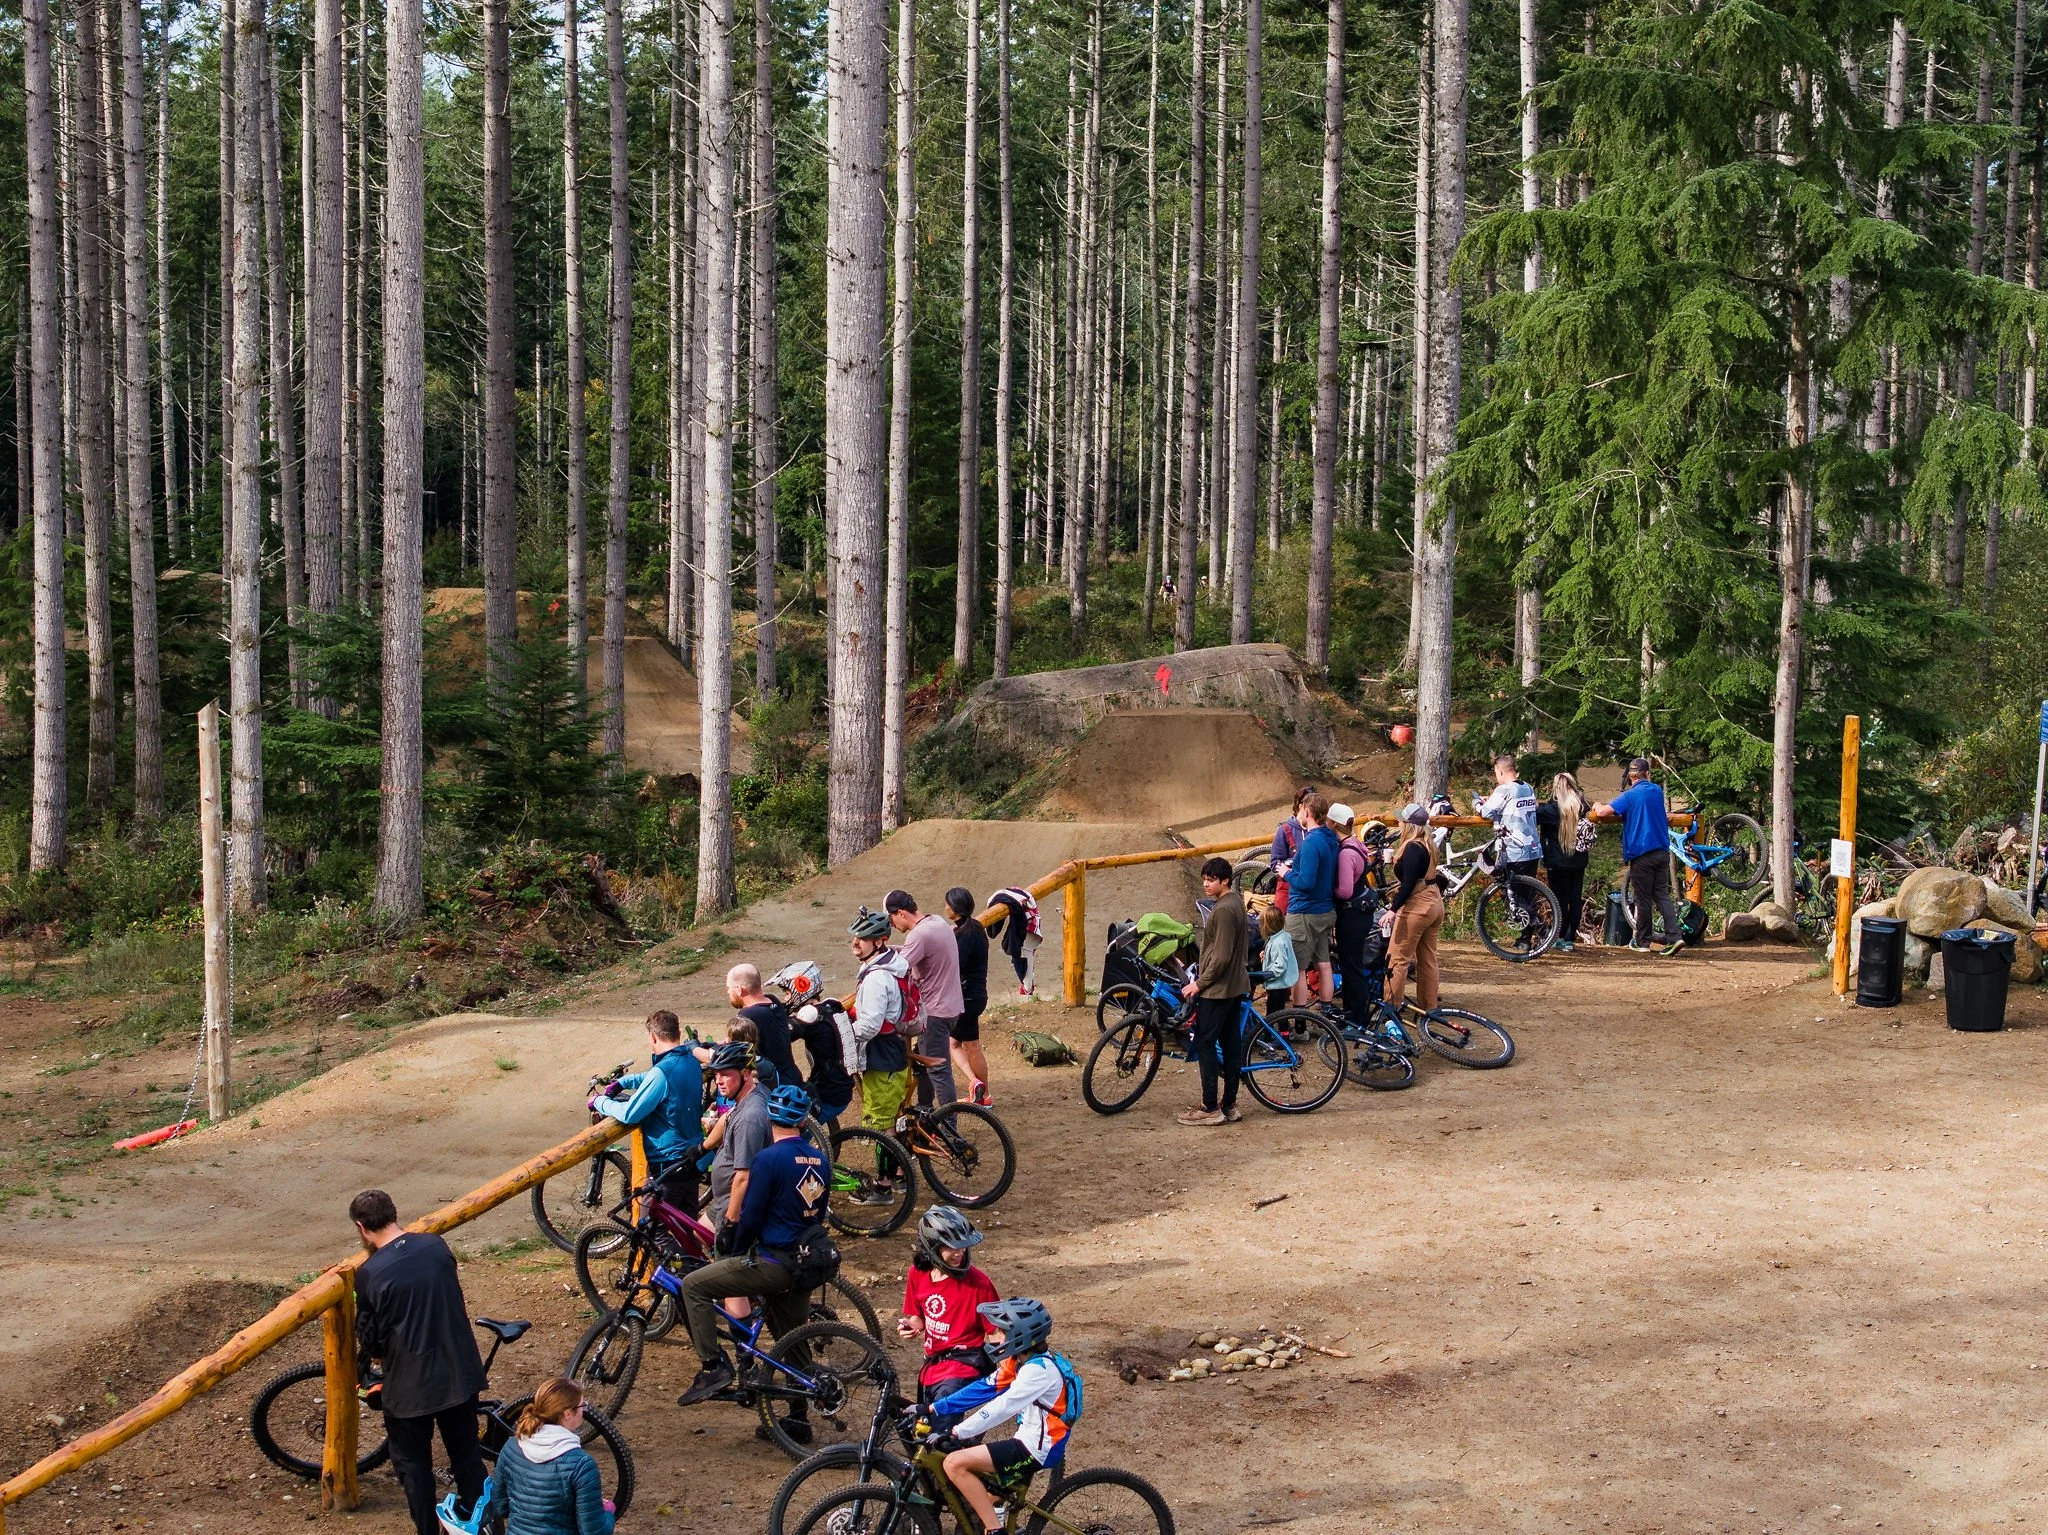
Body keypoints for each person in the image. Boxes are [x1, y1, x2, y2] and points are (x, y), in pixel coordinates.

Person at [675, 1083, 832, 1428]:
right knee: (792, 1341)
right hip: (804, 1263)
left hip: (772, 1262)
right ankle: (797, 1421)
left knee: (693, 1286)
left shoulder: (768, 1159)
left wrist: (734, 1242)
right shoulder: (820, 1160)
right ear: (803, 1122)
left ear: (770, 1119)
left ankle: (712, 1366)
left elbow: (753, 1213)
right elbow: (818, 1216)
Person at [350, 1189, 489, 1535]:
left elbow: (368, 1335)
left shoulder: (369, 1273)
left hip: (411, 1388)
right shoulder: (435, 1246)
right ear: (395, 1214)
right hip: (459, 1371)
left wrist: (375, 1355)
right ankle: (482, 1524)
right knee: (466, 1454)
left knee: (413, 1464)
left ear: (361, 1227)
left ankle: (428, 1530)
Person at [928, 1299, 1080, 1535]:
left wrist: (957, 1432)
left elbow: (1002, 1407)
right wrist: (935, 1408)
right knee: (983, 1501)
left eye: (1000, 1331)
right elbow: (984, 1388)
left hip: (1034, 1449)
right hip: (1028, 1439)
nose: (994, 1336)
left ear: (1020, 1335)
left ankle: (995, 1530)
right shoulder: (1021, 1362)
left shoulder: (1037, 1372)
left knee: (953, 1463)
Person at [589, 1010, 706, 1216]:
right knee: (686, 1229)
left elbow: (630, 1113)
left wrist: (600, 1101)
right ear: (677, 1032)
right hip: (692, 1157)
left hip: (667, 1164)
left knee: (652, 1231)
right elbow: (656, 1077)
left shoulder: (663, 1072)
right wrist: (626, 1081)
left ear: (653, 1037)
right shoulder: (691, 1061)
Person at [470, 1377, 615, 1535]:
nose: (584, 1410)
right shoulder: (582, 1465)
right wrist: (607, 1511)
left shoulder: (511, 1447)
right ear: (567, 1414)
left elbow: (501, 1505)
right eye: (582, 1406)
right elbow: (594, 1532)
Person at [899, 1204, 1001, 1404]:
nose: (959, 1253)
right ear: (932, 1246)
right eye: (951, 1246)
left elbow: (996, 1333)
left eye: (962, 1246)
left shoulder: (979, 1284)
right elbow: (919, 1318)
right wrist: (912, 1326)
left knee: (939, 1427)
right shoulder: (917, 1274)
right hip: (932, 1369)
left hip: (964, 1367)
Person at [1178, 858, 1250, 1127]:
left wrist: (1199, 983)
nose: (1206, 884)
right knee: (1232, 1046)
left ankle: (1210, 1107)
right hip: (1235, 987)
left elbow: (1220, 958)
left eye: (1212, 879)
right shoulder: (1236, 903)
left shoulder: (1222, 910)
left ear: (1226, 880)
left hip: (1218, 990)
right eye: (1205, 879)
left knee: (1206, 1044)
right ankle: (1229, 1104)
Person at [1595, 757, 1684, 955]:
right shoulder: (1657, 791)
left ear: (1630, 777)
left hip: (1641, 855)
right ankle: (1675, 937)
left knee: (1642, 899)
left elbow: (1602, 812)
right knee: (1661, 895)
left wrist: (1596, 806)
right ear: (1647, 774)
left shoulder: (1629, 797)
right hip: (1661, 852)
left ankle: (1642, 941)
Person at [888, 889, 966, 1109]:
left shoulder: (918, 935)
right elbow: (913, 952)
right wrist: (888, 949)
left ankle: (951, 1133)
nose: (892, 924)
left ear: (901, 913)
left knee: (939, 1071)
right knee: (925, 1066)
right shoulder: (937, 923)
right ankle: (925, 1112)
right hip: (951, 1008)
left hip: (934, 1013)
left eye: (891, 918)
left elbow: (898, 969)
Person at [849, 906, 915, 1141]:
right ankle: (897, 1170)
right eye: (855, 936)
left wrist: (844, 1033)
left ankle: (888, 1178)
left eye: (863, 938)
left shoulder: (877, 978)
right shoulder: (889, 964)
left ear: (879, 942)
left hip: (881, 1057)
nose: (856, 942)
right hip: (892, 1050)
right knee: (891, 1118)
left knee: (882, 1126)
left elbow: (869, 1026)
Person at [1383, 803, 1446, 1012]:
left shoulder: (1411, 848)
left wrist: (1393, 910)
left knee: (1397, 959)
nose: (1399, 823)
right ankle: (1430, 1009)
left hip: (1418, 904)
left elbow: (1408, 884)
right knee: (1428, 958)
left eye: (1402, 820)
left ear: (1409, 825)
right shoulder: (1428, 845)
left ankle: (1391, 1008)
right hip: (1434, 901)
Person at [1281, 794, 1340, 1006]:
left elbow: (1306, 882)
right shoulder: (1331, 839)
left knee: (1298, 968)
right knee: (1323, 963)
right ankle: (1326, 1011)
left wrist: (1285, 873)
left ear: (1307, 812)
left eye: (1300, 810)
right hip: (1325, 910)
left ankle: (1299, 1021)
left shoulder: (1310, 844)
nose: (1297, 814)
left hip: (1304, 912)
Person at [1328, 804, 1379, 1030]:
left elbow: (1345, 891)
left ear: (1332, 824)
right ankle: (1352, 1011)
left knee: (1352, 966)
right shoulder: (1356, 843)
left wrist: (1327, 892)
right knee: (1351, 964)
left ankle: (1358, 1017)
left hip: (1352, 915)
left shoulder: (1346, 853)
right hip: (1361, 913)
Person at [1535, 771, 1595, 952]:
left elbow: (1534, 814)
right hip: (1578, 860)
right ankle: (1569, 938)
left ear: (1556, 788)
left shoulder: (1551, 810)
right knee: (1575, 899)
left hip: (1557, 861)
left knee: (1558, 900)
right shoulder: (1582, 806)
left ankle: (1558, 936)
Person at [947, 888, 994, 1106]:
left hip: (966, 998)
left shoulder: (965, 935)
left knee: (959, 1045)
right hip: (976, 996)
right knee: (964, 1044)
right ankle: (981, 1093)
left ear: (955, 909)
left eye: (948, 904)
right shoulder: (975, 927)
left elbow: (956, 965)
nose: (945, 907)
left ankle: (979, 1088)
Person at [727, 963, 800, 1087]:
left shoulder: (747, 1016)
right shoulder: (773, 1001)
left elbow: (728, 1055)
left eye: (729, 988)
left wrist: (694, 1049)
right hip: (793, 1079)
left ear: (739, 990)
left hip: (774, 1089)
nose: (728, 992)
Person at [1474, 754, 1543, 881]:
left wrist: (1476, 803)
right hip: (1533, 849)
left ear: (1500, 771)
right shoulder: (1527, 787)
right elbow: (1533, 806)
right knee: (1528, 893)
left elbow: (1484, 812)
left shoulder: (1504, 789)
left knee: (1513, 895)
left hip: (1514, 850)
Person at [1268, 785, 1319, 913]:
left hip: (1314, 893)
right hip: (1290, 893)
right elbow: (1275, 863)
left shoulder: (1319, 829)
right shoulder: (1285, 830)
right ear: (1301, 806)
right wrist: (1295, 863)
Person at [988, 887, 1043, 998]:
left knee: (1023, 957)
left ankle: (1027, 990)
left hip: (1027, 932)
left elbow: (993, 931)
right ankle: (1027, 990)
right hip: (1029, 925)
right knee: (1025, 956)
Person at [1256, 903, 1298, 1017]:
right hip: (1278, 984)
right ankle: (1280, 1032)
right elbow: (1276, 954)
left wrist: (1266, 975)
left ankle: (1279, 1034)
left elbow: (1280, 966)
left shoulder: (1278, 942)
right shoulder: (1280, 937)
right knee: (1278, 1011)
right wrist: (1266, 954)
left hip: (1278, 984)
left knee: (1274, 1013)